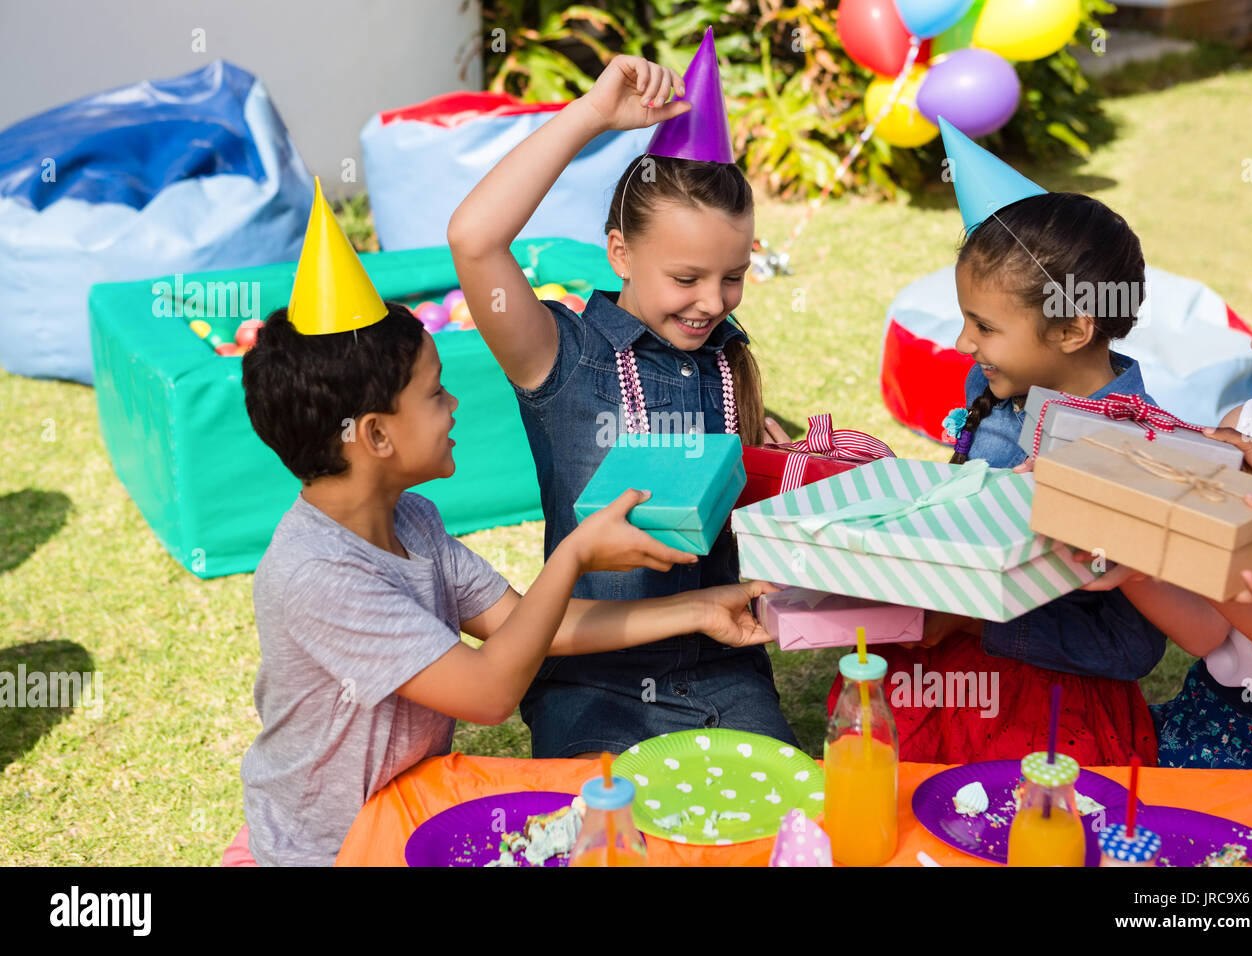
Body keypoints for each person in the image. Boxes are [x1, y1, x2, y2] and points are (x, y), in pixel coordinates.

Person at [225, 181, 777, 866]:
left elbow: (531, 626)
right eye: (434, 393)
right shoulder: (318, 574)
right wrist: (573, 556)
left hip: (410, 805)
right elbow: (490, 693)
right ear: (373, 436)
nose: (454, 404)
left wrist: (698, 608)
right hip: (328, 850)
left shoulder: (411, 519)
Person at [448, 37, 799, 758]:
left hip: (725, 667)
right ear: (620, 254)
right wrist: (591, 115)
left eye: (732, 276)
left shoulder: (725, 358)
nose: (712, 301)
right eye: (687, 277)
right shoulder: (562, 355)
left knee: (784, 826)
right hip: (592, 682)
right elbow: (474, 239)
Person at [830, 120, 1169, 766]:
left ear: (1072, 329)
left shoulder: (1133, 447)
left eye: (982, 326)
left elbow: (1133, 646)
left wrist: (973, 617)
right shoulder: (992, 383)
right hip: (945, 677)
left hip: (1049, 712)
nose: (963, 344)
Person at [1088, 248, 1252, 769]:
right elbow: (1207, 633)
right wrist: (1139, 568)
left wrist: (1207, 562)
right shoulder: (1248, 431)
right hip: (1218, 718)